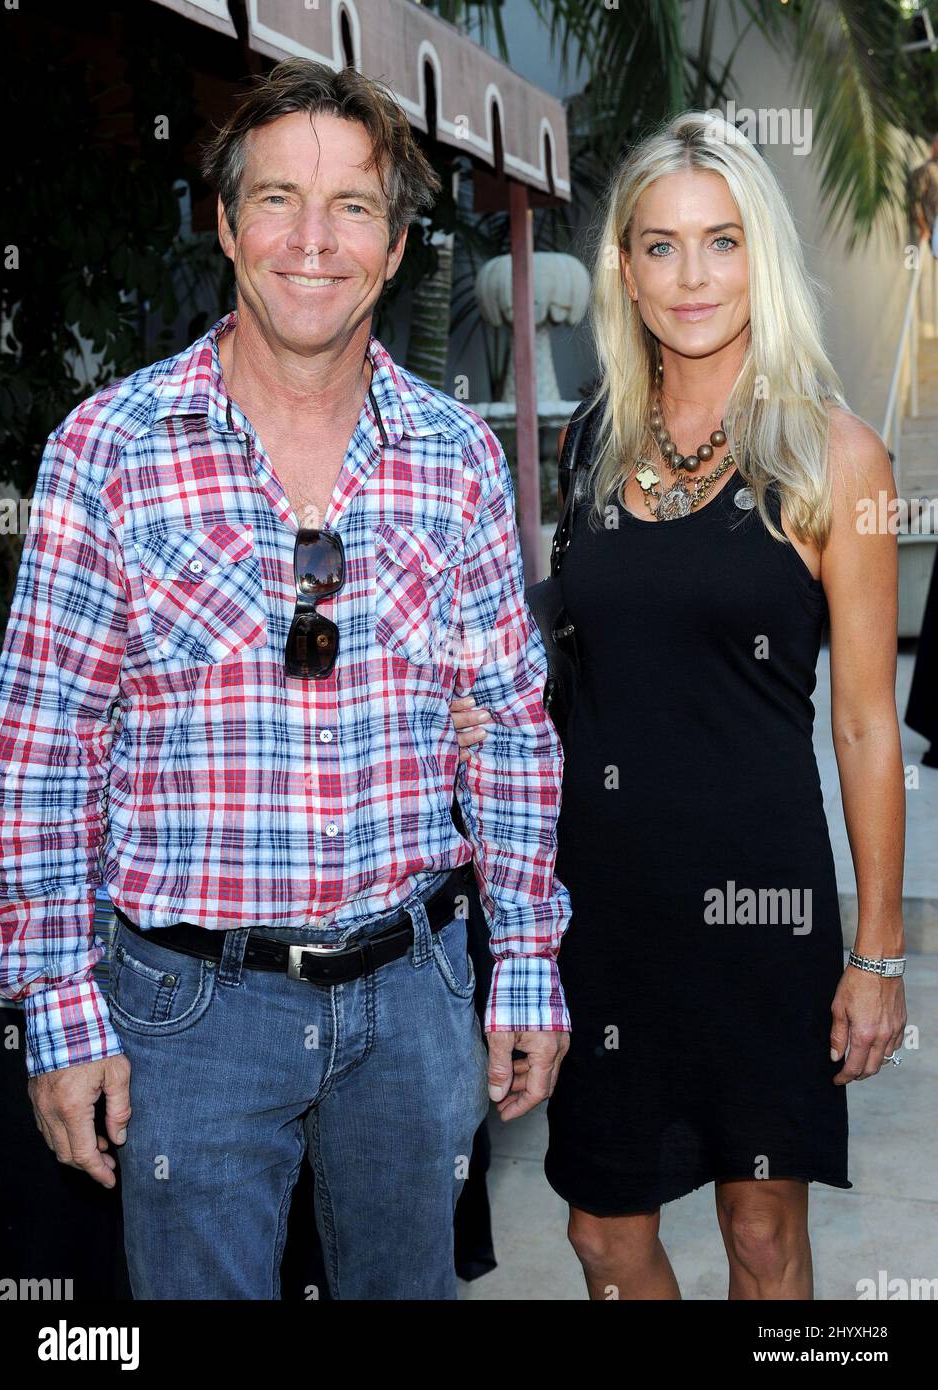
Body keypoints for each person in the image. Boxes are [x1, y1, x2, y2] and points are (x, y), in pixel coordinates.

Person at [0, 58, 573, 1300]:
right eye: (276, 200)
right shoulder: (109, 451)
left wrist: (523, 953)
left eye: (353, 206)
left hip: (414, 999)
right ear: (223, 222)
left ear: (399, 243)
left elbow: (509, 732)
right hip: (184, 1016)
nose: (313, 240)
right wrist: (55, 1003)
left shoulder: (456, 460)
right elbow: (42, 745)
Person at [452, 110, 908, 1300]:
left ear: (760, 256)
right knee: (603, 1238)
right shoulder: (598, 440)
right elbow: (590, 644)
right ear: (624, 269)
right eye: (658, 246)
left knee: (762, 1240)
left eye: (720, 243)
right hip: (600, 903)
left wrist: (874, 952)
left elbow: (863, 725)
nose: (690, 277)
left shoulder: (832, 457)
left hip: (760, 912)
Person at [908, 131, 938, 255]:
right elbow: (915, 201)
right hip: (931, 232)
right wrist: (923, 227)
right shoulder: (926, 170)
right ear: (935, 146)